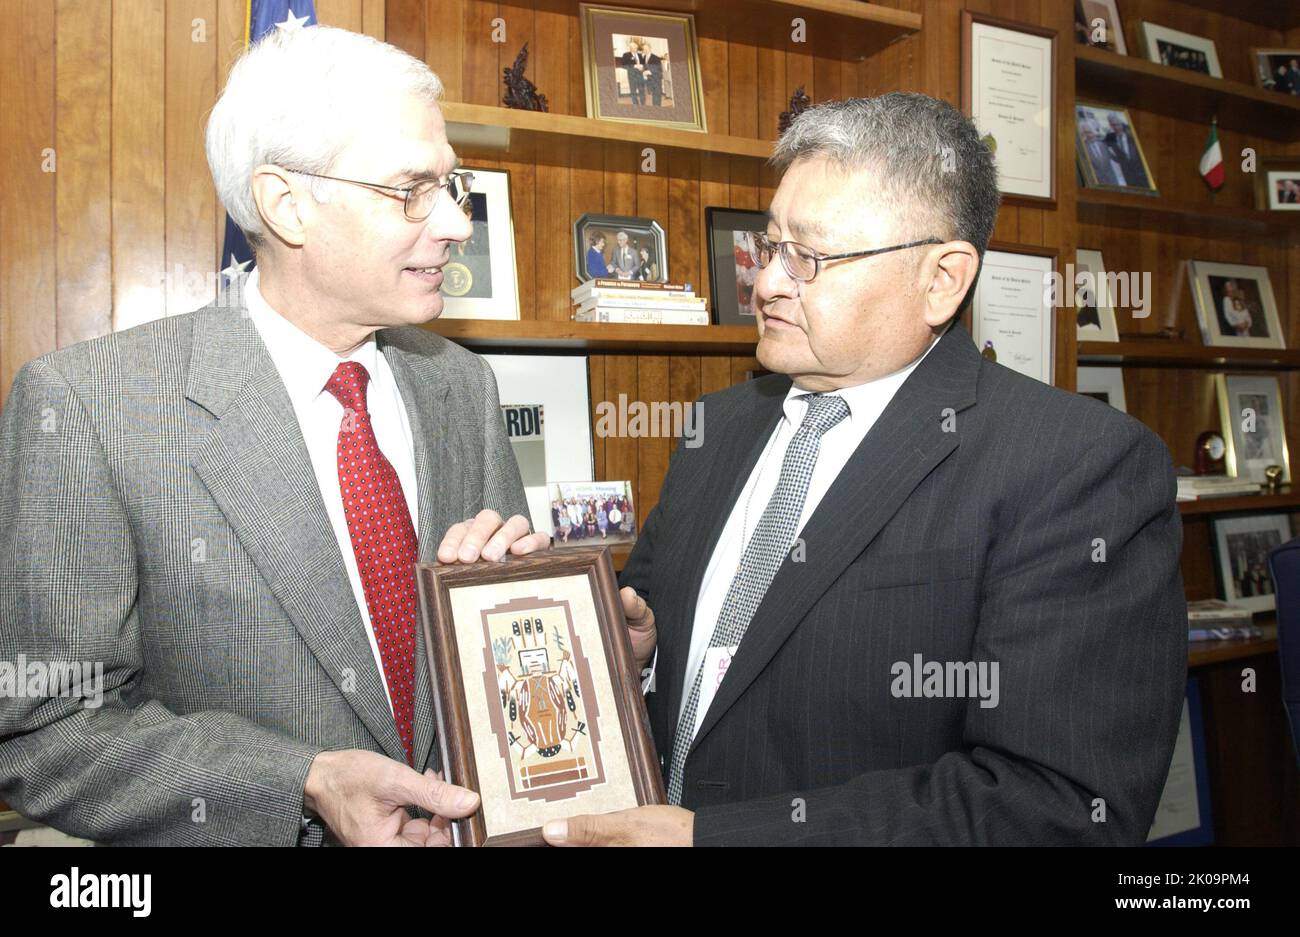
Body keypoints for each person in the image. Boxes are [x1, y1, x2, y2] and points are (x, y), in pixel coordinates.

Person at [0, 24, 613, 847]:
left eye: (451, 184)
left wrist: (586, 632)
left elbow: (500, 668)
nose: (457, 224)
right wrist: (302, 783)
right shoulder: (89, 406)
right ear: (286, 204)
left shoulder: (461, 384)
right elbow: (47, 729)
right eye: (410, 190)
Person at [542, 92, 1186, 847]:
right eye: (770, 244)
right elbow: (708, 677)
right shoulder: (714, 429)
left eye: (809, 257)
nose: (766, 282)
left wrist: (712, 840)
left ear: (942, 278)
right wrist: (644, 657)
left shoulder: (1076, 465)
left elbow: (1056, 808)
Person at [1104, 112, 1148, 189]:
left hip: (1141, 172)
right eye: (1112, 125)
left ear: (1121, 123)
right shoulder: (1110, 137)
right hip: (1128, 174)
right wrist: (1115, 158)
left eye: (1117, 124)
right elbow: (1102, 147)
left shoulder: (1131, 134)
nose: (1116, 127)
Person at [618, 37, 646, 106]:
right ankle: (635, 105)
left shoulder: (640, 55)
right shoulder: (626, 55)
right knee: (633, 92)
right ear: (630, 48)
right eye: (634, 48)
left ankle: (643, 105)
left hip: (640, 76)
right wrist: (634, 66)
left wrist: (642, 68)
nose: (636, 50)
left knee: (642, 91)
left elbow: (644, 65)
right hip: (632, 76)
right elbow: (623, 66)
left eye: (636, 48)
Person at [639, 40, 664, 107]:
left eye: (646, 49)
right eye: (644, 49)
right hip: (649, 80)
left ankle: (658, 109)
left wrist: (649, 71)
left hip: (656, 79)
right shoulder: (644, 58)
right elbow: (644, 68)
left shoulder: (656, 58)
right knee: (653, 96)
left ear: (650, 48)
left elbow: (659, 69)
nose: (645, 50)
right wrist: (642, 71)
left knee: (657, 95)